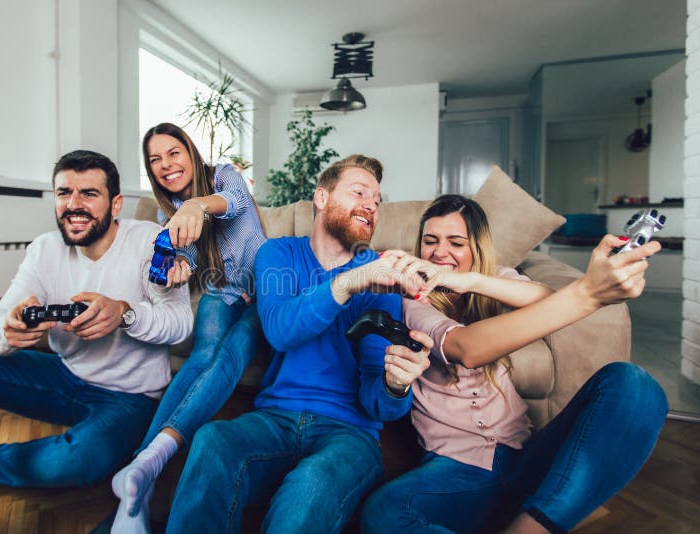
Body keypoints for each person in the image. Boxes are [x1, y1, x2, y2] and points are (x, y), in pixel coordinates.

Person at [0, 150, 192, 534]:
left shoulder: (152, 242)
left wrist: (124, 312)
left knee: (80, 459)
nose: (73, 205)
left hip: (129, 396)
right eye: (63, 193)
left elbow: (180, 324)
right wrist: (9, 330)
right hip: (62, 376)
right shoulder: (44, 249)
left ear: (116, 203)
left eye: (88, 193)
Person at [360, 195, 668, 534]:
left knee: (635, 386)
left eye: (456, 243)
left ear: (477, 248)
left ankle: (533, 524)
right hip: (458, 470)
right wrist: (587, 293)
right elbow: (466, 347)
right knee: (383, 513)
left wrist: (473, 281)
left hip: (526, 455)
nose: (438, 253)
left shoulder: (496, 280)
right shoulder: (411, 299)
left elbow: (551, 302)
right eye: (430, 242)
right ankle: (536, 517)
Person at [164, 154, 434, 533]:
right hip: (275, 420)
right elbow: (279, 331)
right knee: (213, 440)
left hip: (349, 435)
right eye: (359, 192)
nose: (371, 206)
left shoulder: (381, 277)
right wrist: (347, 283)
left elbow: (379, 404)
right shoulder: (278, 255)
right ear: (321, 198)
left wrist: (396, 384)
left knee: (313, 483)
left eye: (376, 201)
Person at [109, 123, 267, 533]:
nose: (165, 165)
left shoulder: (224, 176)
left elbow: (231, 203)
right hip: (221, 292)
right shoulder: (168, 212)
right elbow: (192, 259)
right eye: (155, 160)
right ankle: (140, 472)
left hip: (264, 290)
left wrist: (195, 206)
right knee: (203, 353)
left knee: (232, 353)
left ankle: (147, 459)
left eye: (173, 153)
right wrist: (179, 270)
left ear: (190, 152)